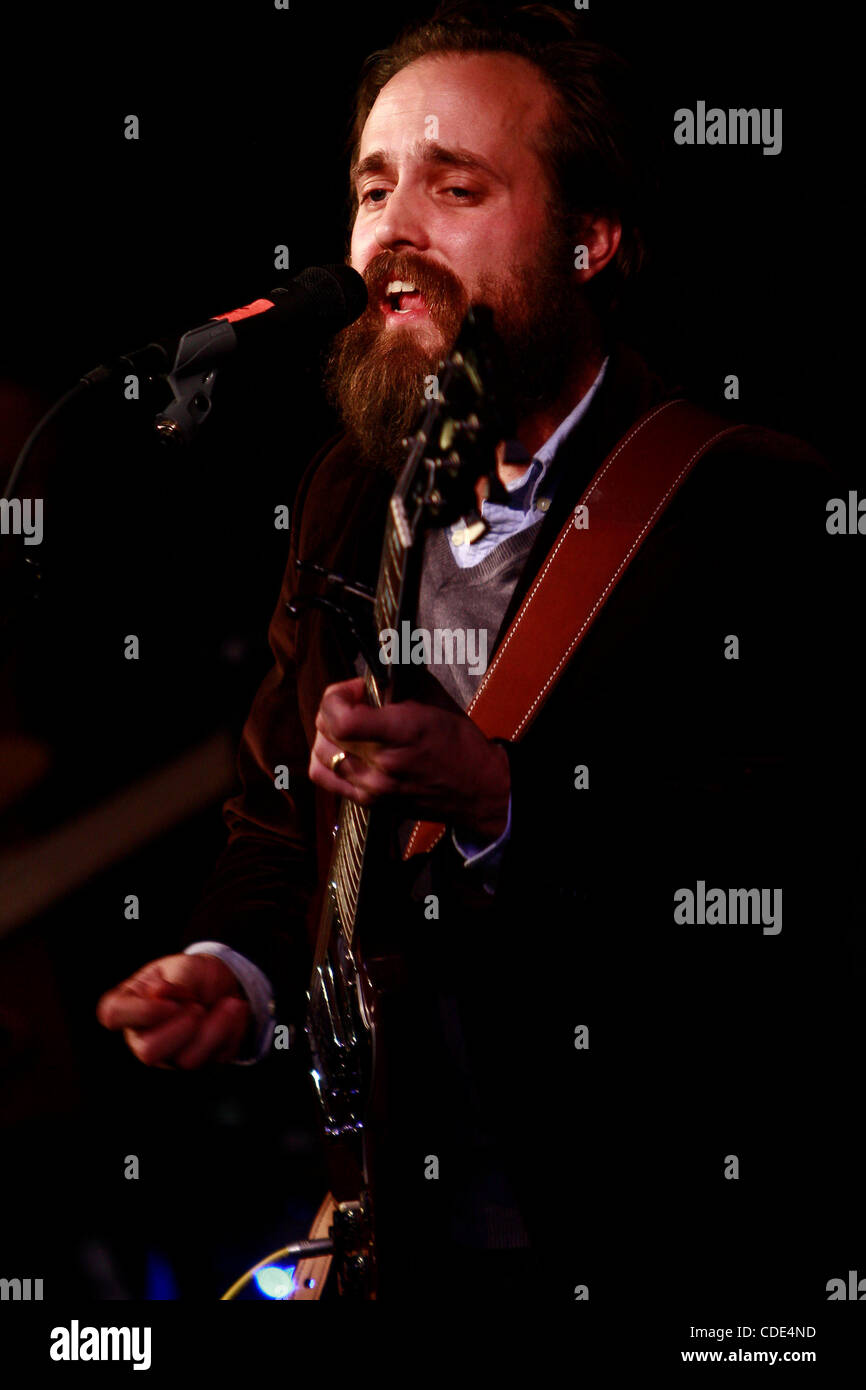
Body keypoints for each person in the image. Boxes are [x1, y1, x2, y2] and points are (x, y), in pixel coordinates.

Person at [97, 3, 846, 1304]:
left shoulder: (745, 504)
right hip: (405, 1221)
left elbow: (781, 854)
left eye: (458, 187)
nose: (396, 229)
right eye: (373, 186)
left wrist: (506, 800)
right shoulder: (349, 488)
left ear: (587, 238)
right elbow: (288, 810)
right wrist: (235, 966)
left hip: (654, 1228)